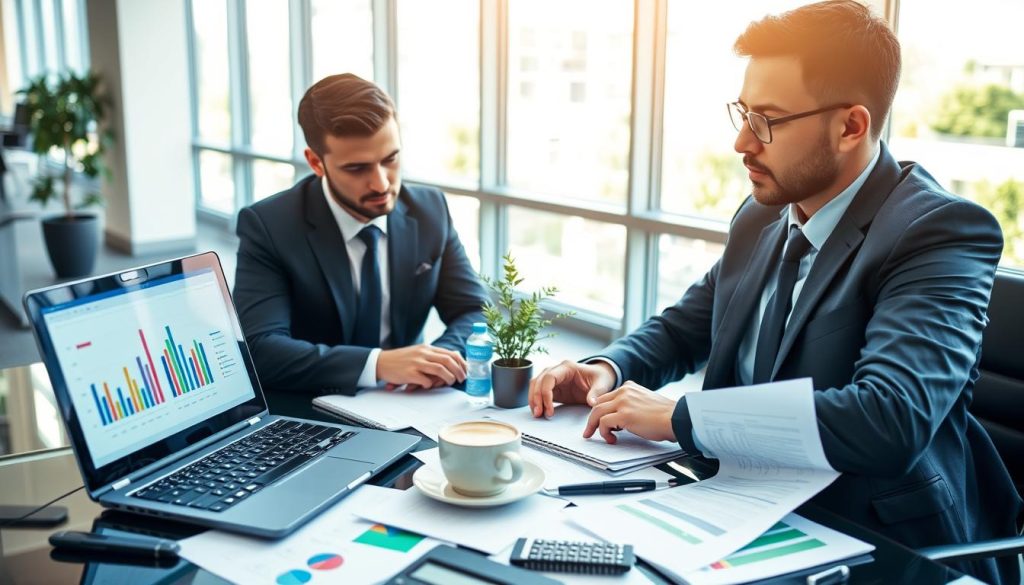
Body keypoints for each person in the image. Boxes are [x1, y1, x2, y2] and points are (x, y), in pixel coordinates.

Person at [527, 2, 1021, 582]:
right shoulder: (764, 215)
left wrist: (682, 417)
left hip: (872, 541)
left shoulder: (939, 232)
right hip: (737, 508)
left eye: (766, 119)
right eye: (742, 112)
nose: (742, 141)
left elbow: (889, 419)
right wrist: (607, 367)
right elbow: (689, 325)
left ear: (851, 126)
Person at [234, 74, 488, 395]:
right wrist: (378, 363)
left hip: (410, 401)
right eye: (357, 168)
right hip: (316, 407)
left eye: (390, 159)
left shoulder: (429, 209)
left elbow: (475, 310)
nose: (381, 184)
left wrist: (439, 361)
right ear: (316, 162)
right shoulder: (269, 226)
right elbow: (261, 349)